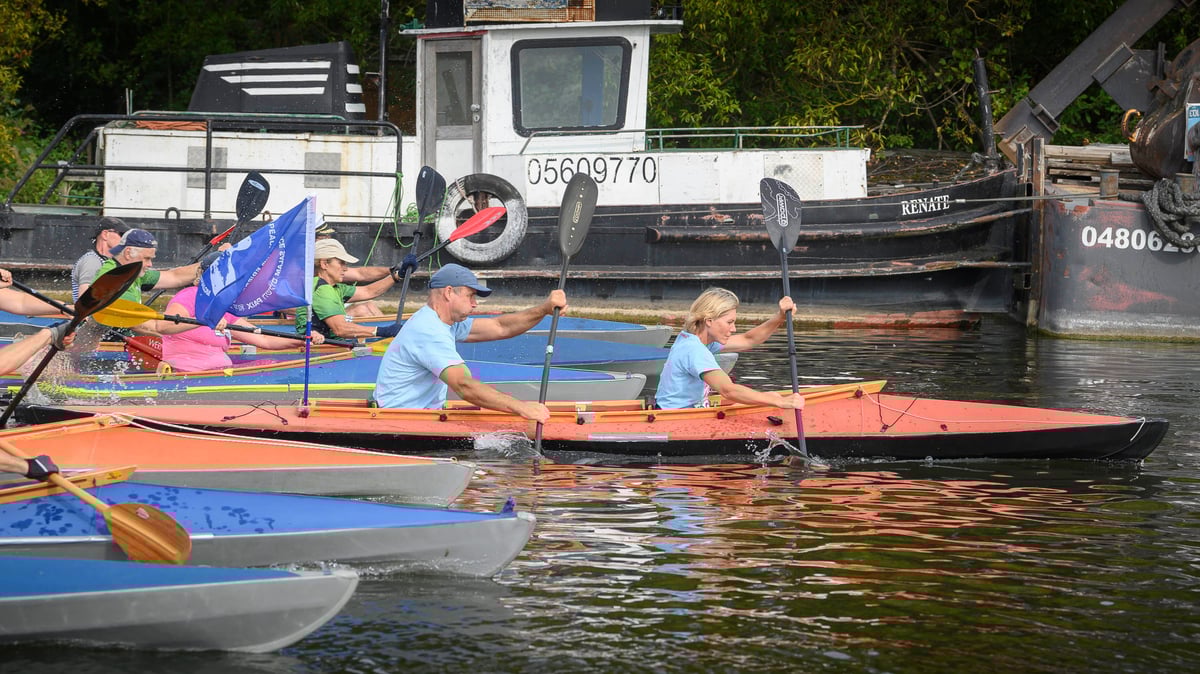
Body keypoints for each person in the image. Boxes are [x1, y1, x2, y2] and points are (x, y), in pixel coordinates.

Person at [373, 263, 567, 422]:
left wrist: (543, 309)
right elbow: (464, 386)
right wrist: (522, 408)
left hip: (417, 414)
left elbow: (500, 326)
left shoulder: (445, 321)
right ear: (449, 292)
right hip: (400, 421)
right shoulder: (428, 331)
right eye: (470, 296)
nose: (475, 303)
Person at [156, 252, 325, 372]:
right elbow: (163, 326)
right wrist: (204, 319)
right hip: (184, 374)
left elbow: (264, 340)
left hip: (218, 374)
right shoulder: (189, 296)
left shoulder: (224, 307)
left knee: (268, 363)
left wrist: (301, 340)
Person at [654, 287, 806, 410]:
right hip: (677, 420)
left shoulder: (693, 339)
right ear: (709, 321)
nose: (733, 329)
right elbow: (728, 390)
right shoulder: (694, 350)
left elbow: (748, 339)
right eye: (729, 322)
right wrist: (777, 401)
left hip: (682, 411)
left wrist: (780, 317)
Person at [297, 238, 404, 340]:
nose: (346, 268)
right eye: (341, 263)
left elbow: (368, 291)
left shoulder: (333, 287)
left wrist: (397, 276)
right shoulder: (322, 290)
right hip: (322, 350)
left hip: (332, 346)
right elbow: (341, 329)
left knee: (370, 305)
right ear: (324, 264)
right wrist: (382, 331)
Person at [93, 228, 204, 305]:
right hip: (106, 338)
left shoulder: (135, 272)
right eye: (146, 258)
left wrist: (213, 262)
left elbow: (174, 276)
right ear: (128, 253)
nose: (150, 264)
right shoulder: (112, 277)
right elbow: (146, 326)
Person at [72, 216, 129, 300]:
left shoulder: (110, 261)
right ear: (105, 234)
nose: (126, 240)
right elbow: (85, 301)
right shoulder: (91, 261)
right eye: (122, 234)